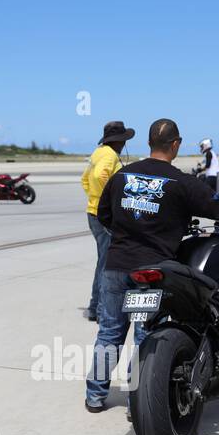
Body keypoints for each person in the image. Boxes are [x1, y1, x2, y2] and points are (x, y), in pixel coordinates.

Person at [85, 118, 219, 413]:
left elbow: (104, 215)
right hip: (153, 270)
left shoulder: (122, 176)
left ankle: (95, 396)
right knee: (147, 335)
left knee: (109, 333)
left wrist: (128, 235)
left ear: (149, 143)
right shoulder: (181, 183)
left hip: (116, 266)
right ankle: (136, 403)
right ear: (175, 145)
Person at [81, 121, 133, 321]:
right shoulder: (110, 155)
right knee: (107, 264)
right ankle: (100, 310)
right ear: (119, 141)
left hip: (92, 213)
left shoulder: (98, 153)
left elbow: (85, 180)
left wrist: (94, 198)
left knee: (103, 261)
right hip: (103, 216)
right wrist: (109, 201)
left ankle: (95, 306)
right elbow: (99, 175)